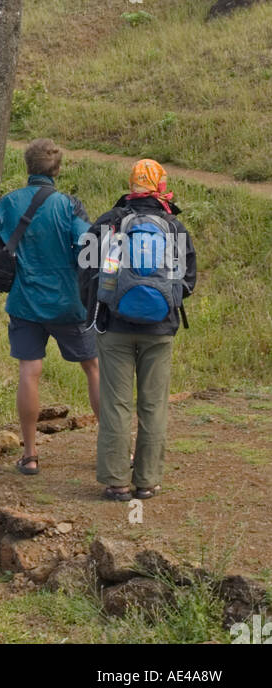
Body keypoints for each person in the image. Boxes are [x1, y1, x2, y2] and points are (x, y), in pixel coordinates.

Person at [0, 138, 99, 476]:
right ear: (57, 171)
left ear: (28, 168)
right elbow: (88, 247)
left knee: (29, 372)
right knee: (93, 367)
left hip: (25, 302)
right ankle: (112, 447)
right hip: (69, 303)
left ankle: (30, 456)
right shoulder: (68, 205)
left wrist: (12, 261)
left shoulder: (9, 203)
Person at [80, 159, 197, 502]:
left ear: (131, 185)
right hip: (160, 330)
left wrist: (97, 306)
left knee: (115, 403)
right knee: (153, 404)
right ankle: (146, 482)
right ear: (160, 184)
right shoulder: (174, 227)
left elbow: (85, 270)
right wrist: (164, 301)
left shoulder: (108, 222)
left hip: (113, 327)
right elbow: (188, 281)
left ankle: (116, 482)